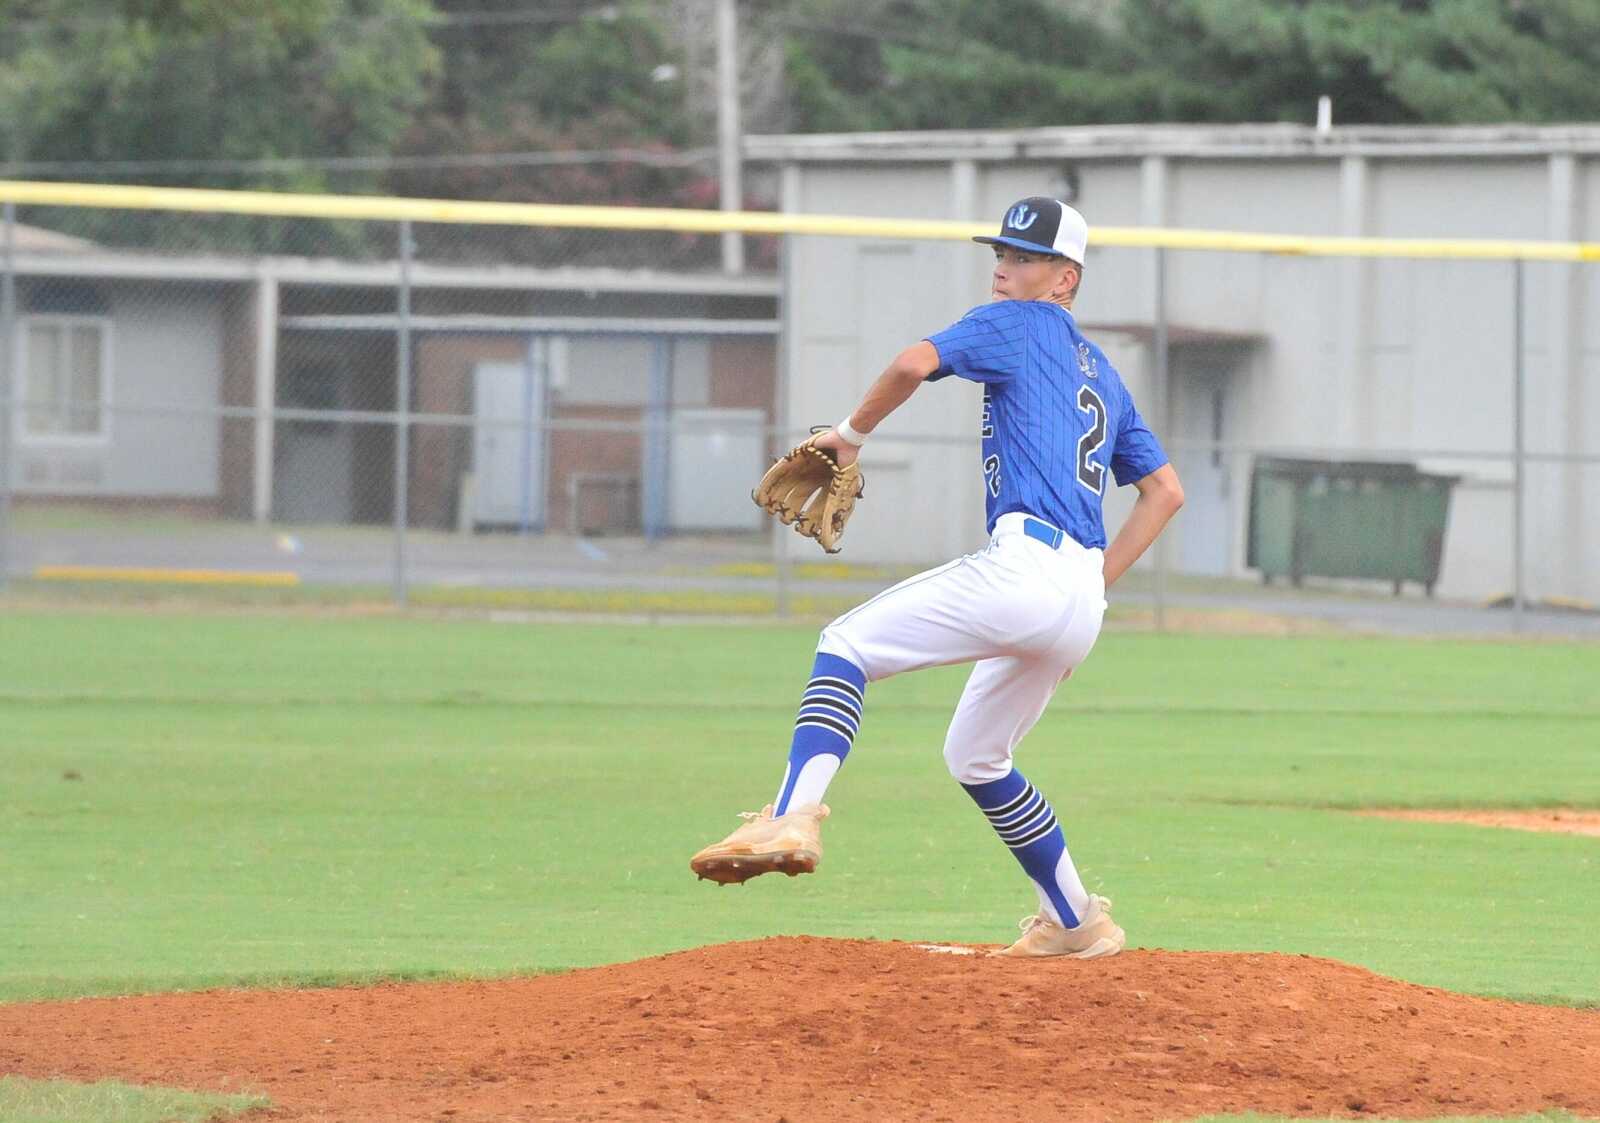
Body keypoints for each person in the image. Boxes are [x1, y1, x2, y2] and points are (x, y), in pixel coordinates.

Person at [689, 196, 1185, 958]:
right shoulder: (1105, 373)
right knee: (978, 756)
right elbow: (1165, 491)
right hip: (1079, 596)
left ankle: (791, 810)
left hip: (1026, 565)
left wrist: (848, 437)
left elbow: (911, 364)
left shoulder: (1017, 323)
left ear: (1065, 279)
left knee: (845, 643)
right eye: (1003, 252)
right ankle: (1077, 919)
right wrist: (1096, 583)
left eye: (1024, 258)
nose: (1004, 267)